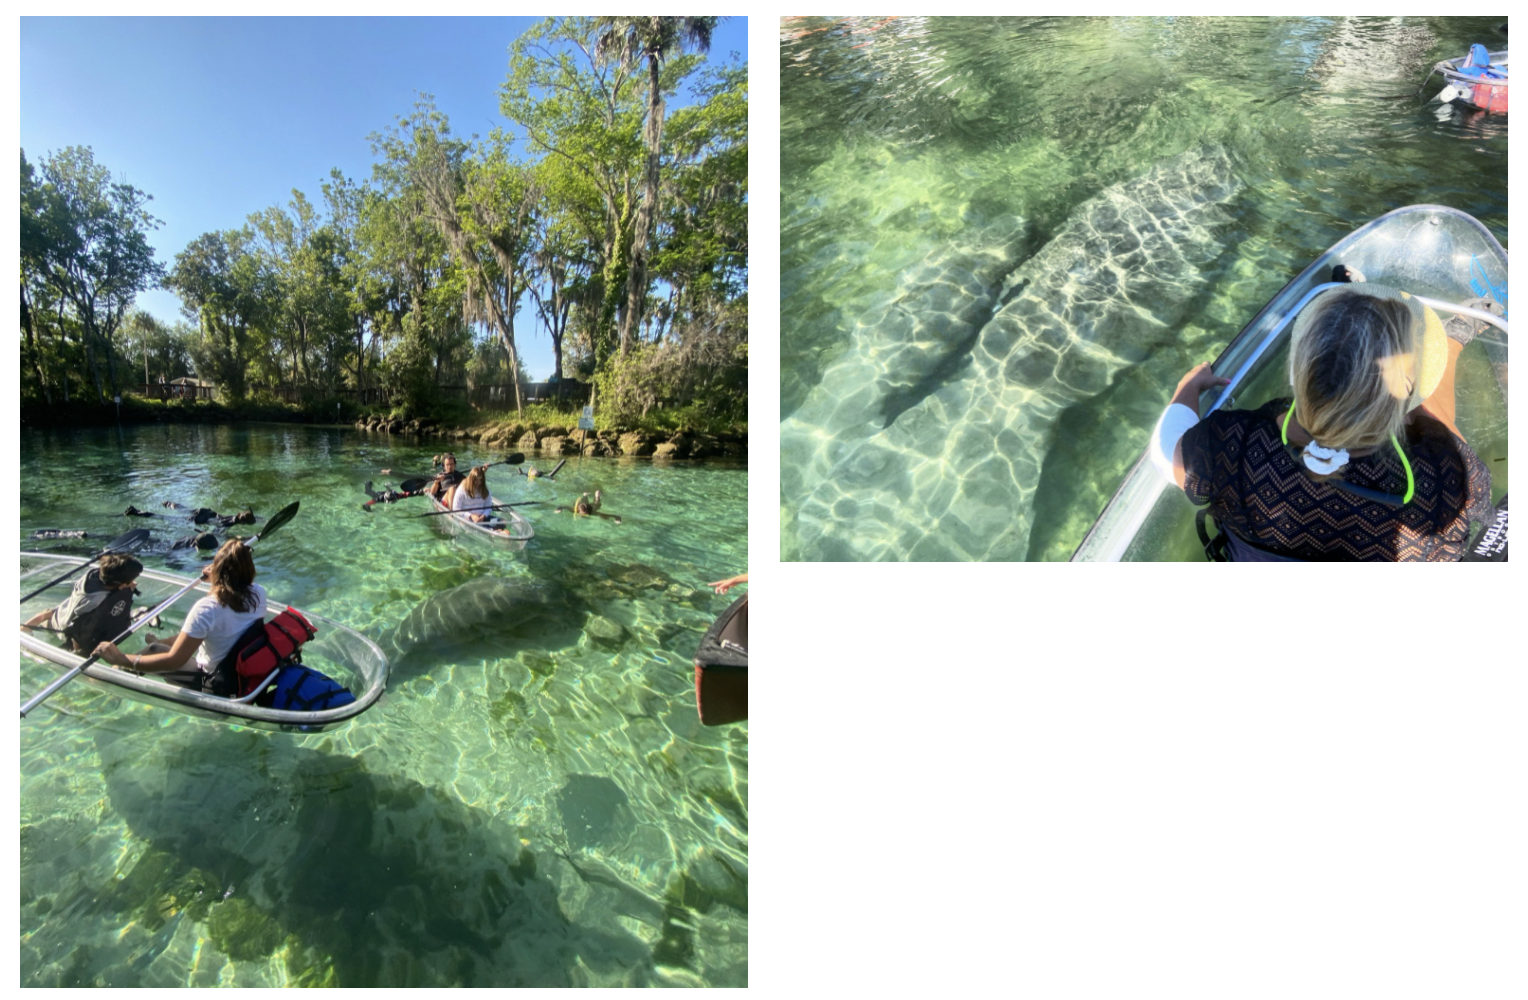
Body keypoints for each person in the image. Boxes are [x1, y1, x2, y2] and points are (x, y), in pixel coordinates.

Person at [1152, 279, 1493, 561]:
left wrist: (1187, 387)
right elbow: (1455, 466)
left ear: (1298, 369)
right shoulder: (1446, 482)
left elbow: (1166, 449)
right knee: (1438, 427)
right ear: (1406, 391)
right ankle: (1453, 339)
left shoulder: (1231, 446)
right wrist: (1408, 397)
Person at [91, 538, 268, 695]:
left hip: (214, 684)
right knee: (165, 641)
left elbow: (174, 661)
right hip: (241, 674)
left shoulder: (207, 608)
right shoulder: (259, 593)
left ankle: (108, 680)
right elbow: (204, 627)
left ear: (219, 570)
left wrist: (120, 658)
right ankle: (156, 643)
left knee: (153, 650)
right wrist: (217, 581)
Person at [22, 554, 143, 653]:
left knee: (51, 612)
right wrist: (77, 652)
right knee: (49, 616)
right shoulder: (94, 602)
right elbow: (77, 632)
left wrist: (125, 585)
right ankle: (23, 629)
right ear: (120, 584)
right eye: (130, 581)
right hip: (63, 625)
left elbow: (115, 574)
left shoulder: (96, 574)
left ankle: (28, 625)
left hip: (64, 609)